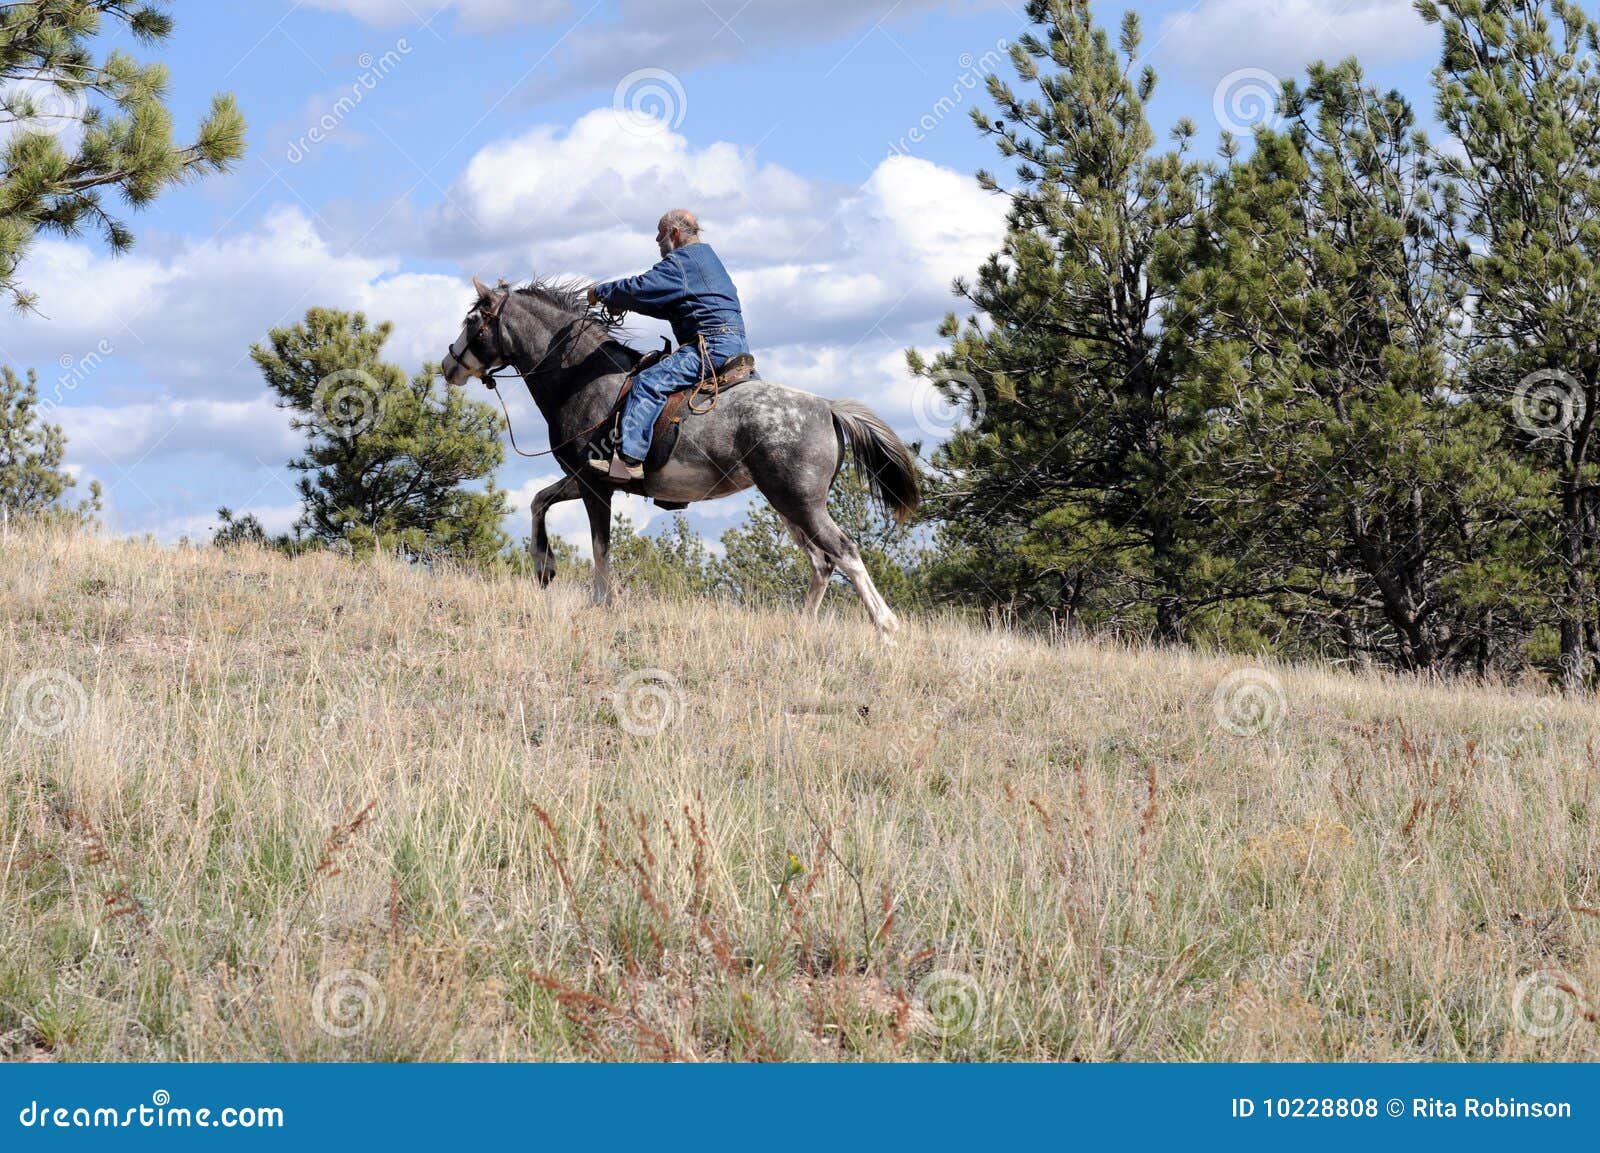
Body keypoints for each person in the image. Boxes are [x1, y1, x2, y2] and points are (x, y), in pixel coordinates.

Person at [585, 209, 750, 481]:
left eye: (660, 235)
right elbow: (669, 305)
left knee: (648, 382)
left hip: (709, 347)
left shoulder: (681, 262)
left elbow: (642, 287)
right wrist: (622, 301)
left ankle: (629, 461)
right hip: (736, 345)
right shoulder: (707, 259)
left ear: (674, 233)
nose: (657, 241)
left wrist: (601, 292)